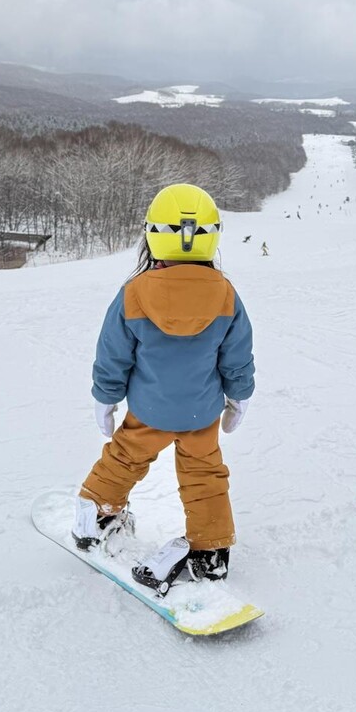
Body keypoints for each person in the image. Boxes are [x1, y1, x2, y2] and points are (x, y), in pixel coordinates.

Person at [73, 183, 255, 593]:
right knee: (205, 475)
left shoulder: (134, 294)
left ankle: (97, 515)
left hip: (148, 411)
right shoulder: (225, 293)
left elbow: (113, 355)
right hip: (201, 413)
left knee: (123, 459)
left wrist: (106, 398)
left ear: (153, 233)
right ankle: (209, 551)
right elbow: (237, 355)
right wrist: (238, 395)